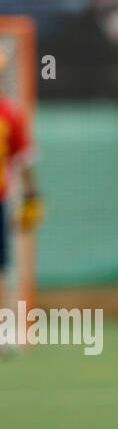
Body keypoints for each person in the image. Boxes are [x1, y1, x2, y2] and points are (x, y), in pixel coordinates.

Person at [0, 49, 43, 357]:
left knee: (1, 271)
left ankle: (3, 335)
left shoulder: (9, 113)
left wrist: (30, 195)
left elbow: (23, 159)